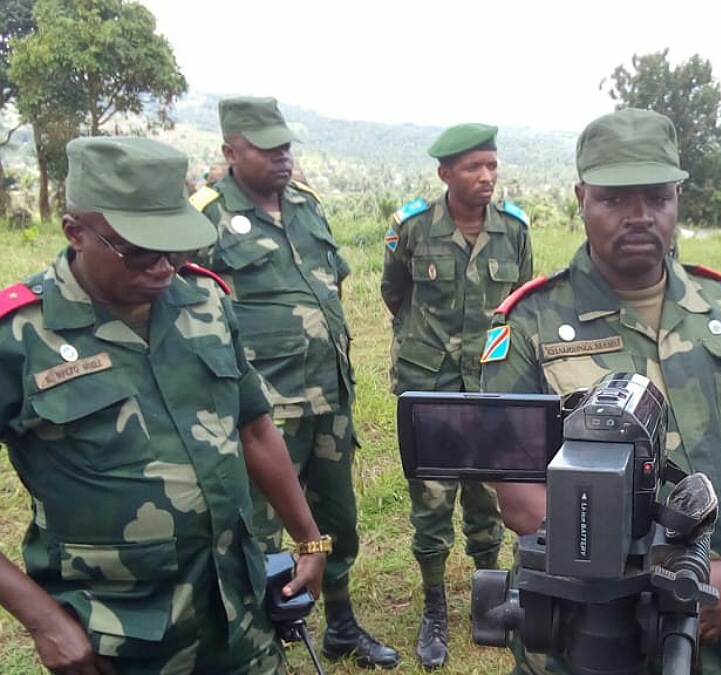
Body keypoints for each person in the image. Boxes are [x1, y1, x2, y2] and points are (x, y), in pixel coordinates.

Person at [0, 136, 328, 674]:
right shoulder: (19, 337)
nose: (165, 267)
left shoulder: (206, 302)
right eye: (141, 250)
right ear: (76, 232)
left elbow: (253, 428)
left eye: (176, 248)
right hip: (118, 636)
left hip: (238, 614)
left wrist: (310, 537)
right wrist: (43, 620)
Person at [481, 107, 721, 674]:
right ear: (581, 199)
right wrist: (667, 584)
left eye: (656, 197)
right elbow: (520, 498)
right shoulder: (530, 323)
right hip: (594, 627)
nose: (639, 216)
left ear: (677, 197)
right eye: (615, 199)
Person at [190, 96, 398, 669]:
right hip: (261, 412)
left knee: (336, 521)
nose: (282, 157)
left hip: (329, 400)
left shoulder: (307, 206)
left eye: (286, 146)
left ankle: (342, 626)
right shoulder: (203, 216)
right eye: (267, 148)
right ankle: (265, 637)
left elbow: (330, 286)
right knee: (260, 533)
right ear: (231, 150)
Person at [381, 122, 532, 668]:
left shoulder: (513, 229)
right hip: (431, 385)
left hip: (491, 386)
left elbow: (518, 304)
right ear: (446, 173)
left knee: (489, 500)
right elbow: (394, 292)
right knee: (432, 503)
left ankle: (488, 601)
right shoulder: (413, 226)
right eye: (473, 167)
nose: (486, 176)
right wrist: (427, 348)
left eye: (492, 165)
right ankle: (434, 609)